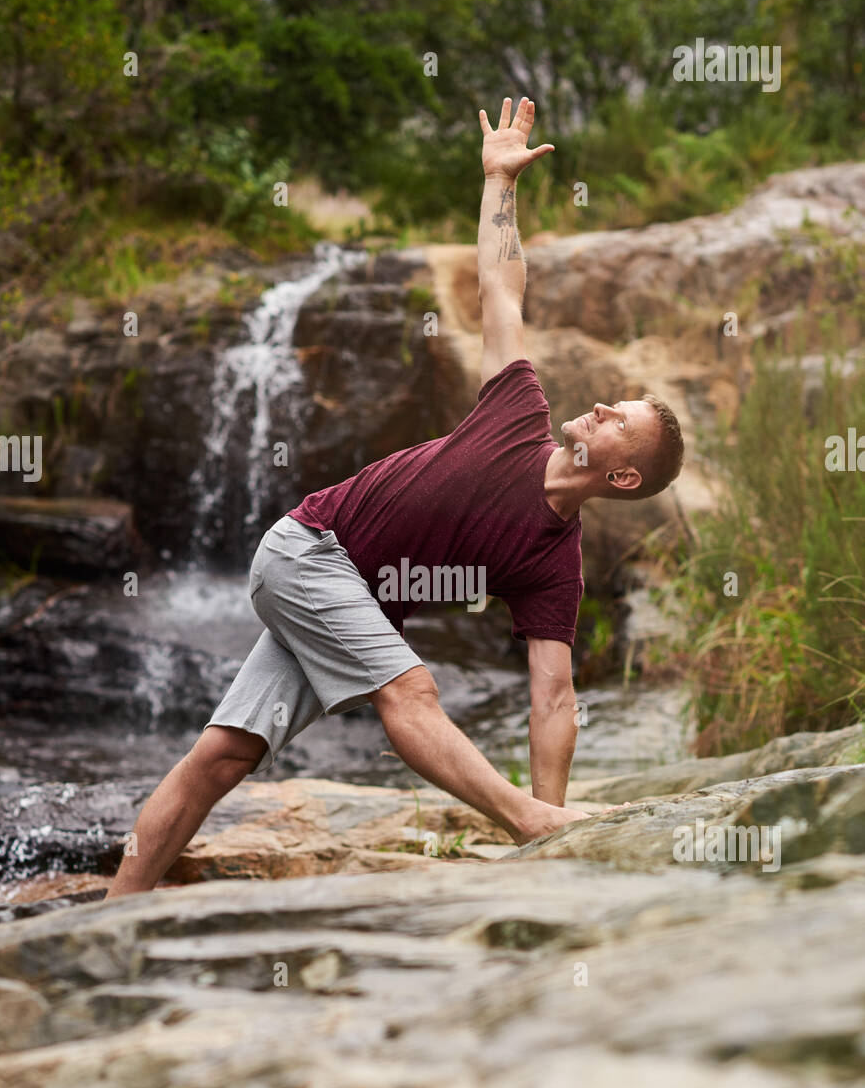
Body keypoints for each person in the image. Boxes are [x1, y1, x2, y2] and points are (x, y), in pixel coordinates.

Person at [106, 95, 683, 898]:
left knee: (221, 757)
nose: (603, 405)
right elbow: (500, 286)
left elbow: (554, 696)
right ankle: (519, 822)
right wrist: (498, 185)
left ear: (622, 478)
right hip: (308, 549)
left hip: (347, 600)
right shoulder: (518, 407)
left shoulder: (555, 561)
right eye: (612, 400)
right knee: (411, 690)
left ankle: (108, 915)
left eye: (619, 418)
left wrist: (554, 827)